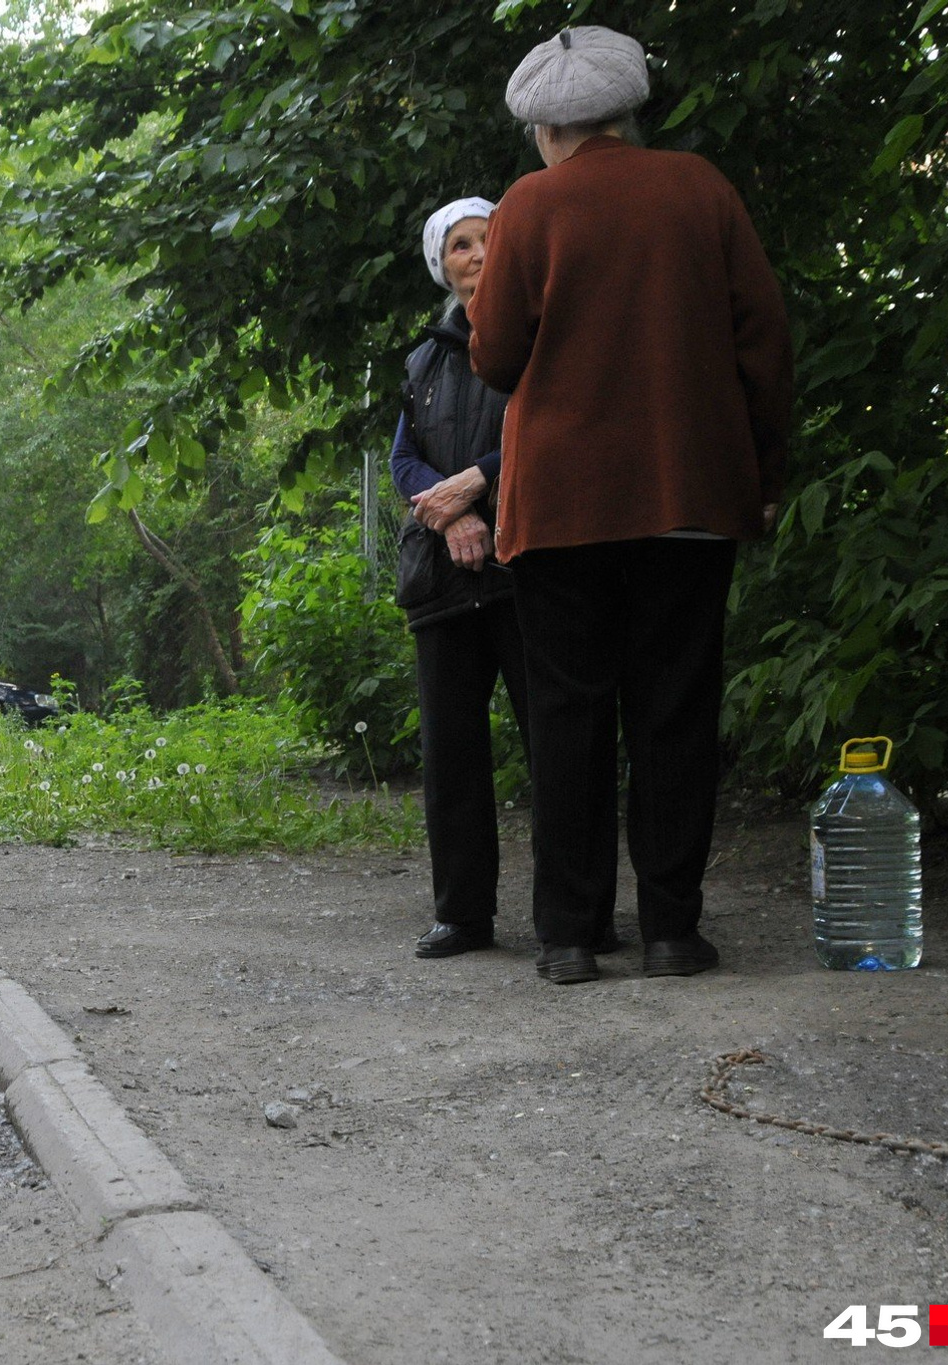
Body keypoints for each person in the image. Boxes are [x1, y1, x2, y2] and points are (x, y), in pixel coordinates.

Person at [468, 26, 794, 985]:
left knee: (568, 715)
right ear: (628, 111)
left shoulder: (529, 207)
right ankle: (671, 932)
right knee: (676, 710)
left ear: (545, 130)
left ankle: (569, 937)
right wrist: (764, 477)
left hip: (563, 507)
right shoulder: (701, 189)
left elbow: (492, 358)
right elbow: (764, 341)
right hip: (690, 494)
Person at [391, 195, 543, 961]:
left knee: (555, 741)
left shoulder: (535, 333)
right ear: (440, 265)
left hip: (526, 568)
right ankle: (463, 913)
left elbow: (545, 427)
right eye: (460, 246)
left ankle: (570, 912)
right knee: (450, 749)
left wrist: (477, 484)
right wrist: (451, 513)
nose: (477, 255)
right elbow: (403, 459)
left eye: (488, 240)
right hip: (445, 579)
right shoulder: (423, 359)